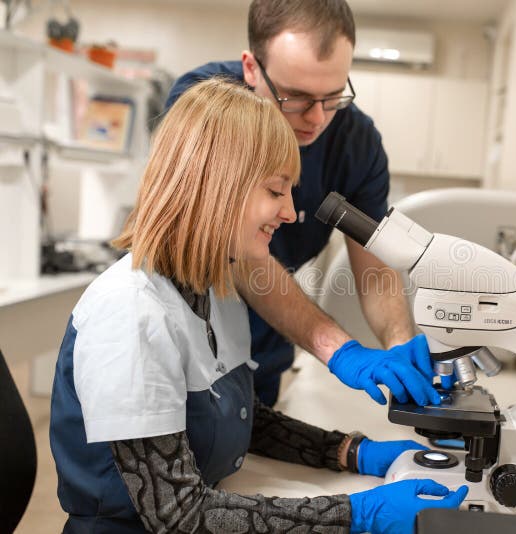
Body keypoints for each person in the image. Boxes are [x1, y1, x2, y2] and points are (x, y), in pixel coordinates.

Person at [50, 79, 466, 533]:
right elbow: (180, 515)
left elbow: (241, 417)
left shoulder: (214, 288)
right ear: (214, 186)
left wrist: (350, 451)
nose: (290, 212)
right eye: (275, 190)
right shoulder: (130, 316)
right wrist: (356, 515)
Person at [166, 0, 429, 408]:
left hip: (264, 348)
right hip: (189, 349)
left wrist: (401, 349)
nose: (317, 119)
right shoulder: (206, 108)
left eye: (334, 96)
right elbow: (241, 259)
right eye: (296, 97)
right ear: (251, 68)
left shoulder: (356, 144)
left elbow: (374, 267)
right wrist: (340, 349)